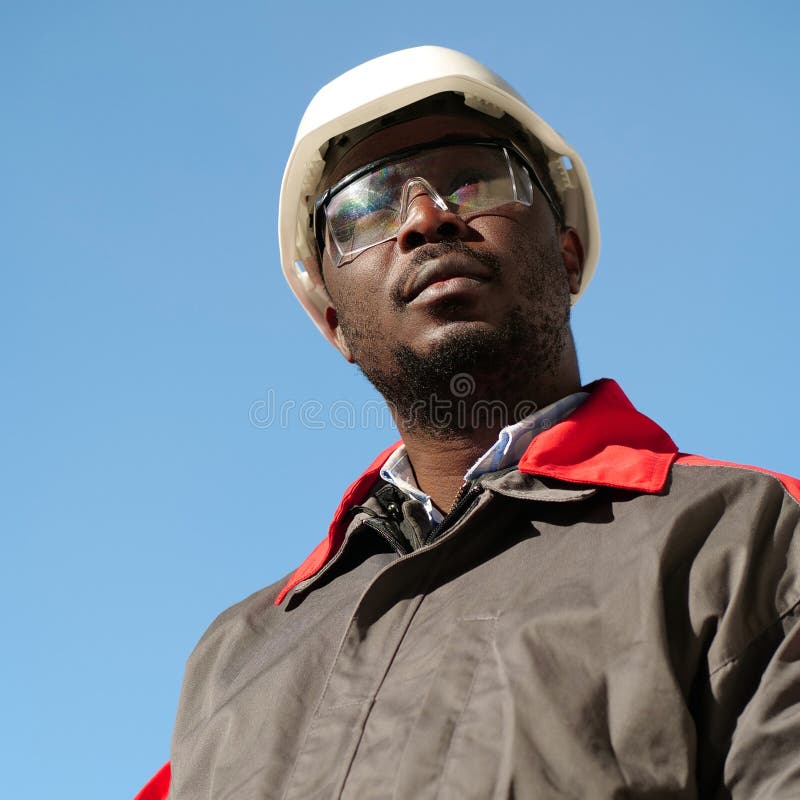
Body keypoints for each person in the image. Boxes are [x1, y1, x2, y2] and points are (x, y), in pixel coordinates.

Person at [137, 46, 800, 800]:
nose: (425, 218)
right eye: (366, 210)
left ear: (569, 253)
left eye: (476, 180)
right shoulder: (232, 662)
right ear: (334, 325)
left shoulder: (751, 540)